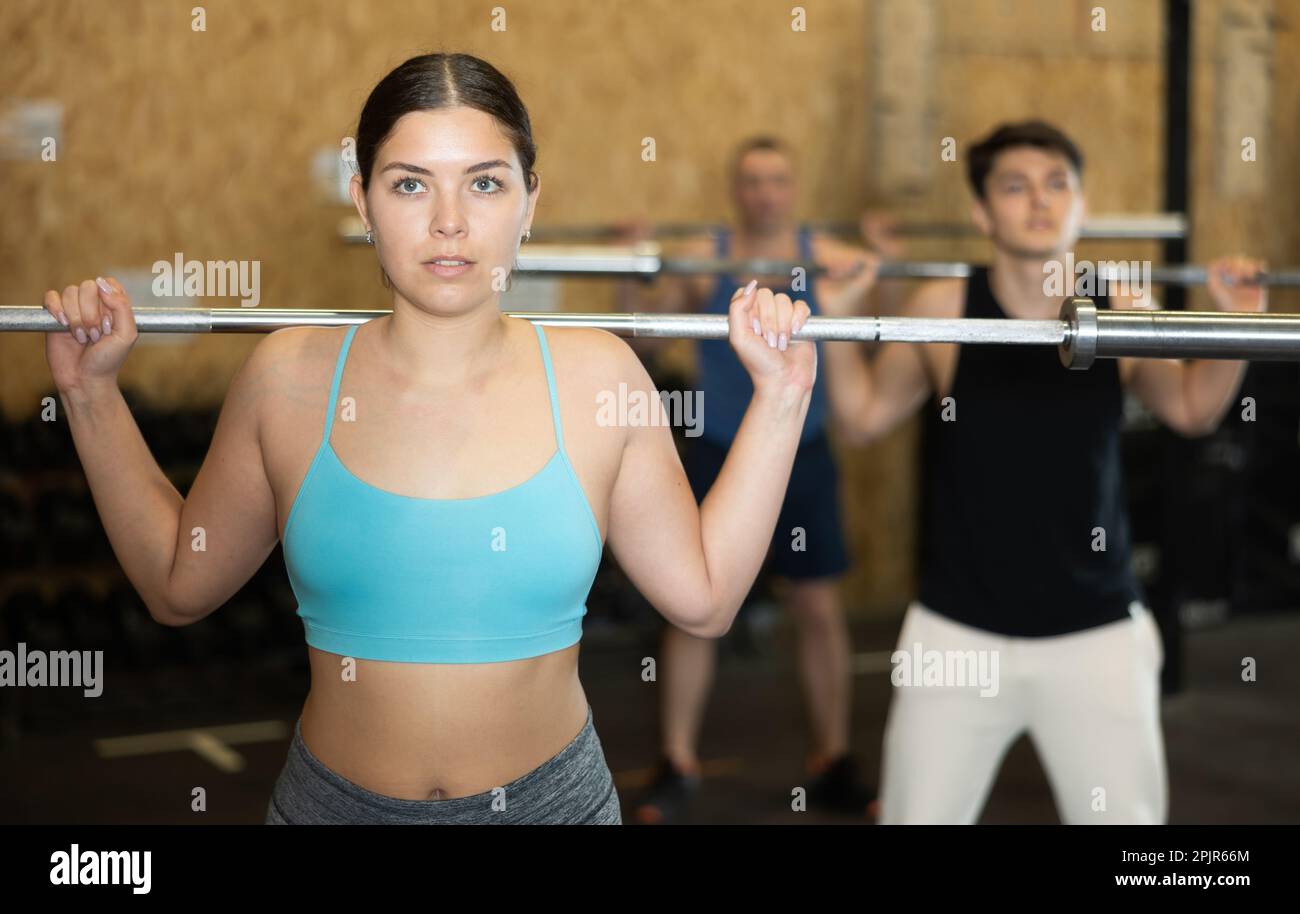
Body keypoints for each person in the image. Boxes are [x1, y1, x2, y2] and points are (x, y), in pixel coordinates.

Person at [39, 52, 818, 825]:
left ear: (530, 201)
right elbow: (180, 585)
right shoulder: (287, 378)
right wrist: (88, 392)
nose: (450, 221)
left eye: (485, 182)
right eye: (410, 183)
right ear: (364, 202)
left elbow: (707, 599)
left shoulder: (598, 377)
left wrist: (781, 399)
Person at [816, 120, 1268, 824]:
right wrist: (836, 321)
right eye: (1015, 186)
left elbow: (1189, 408)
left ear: (1082, 206)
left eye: (1058, 184)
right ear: (981, 211)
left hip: (1095, 632)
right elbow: (862, 419)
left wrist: (1237, 327)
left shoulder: (1120, 306)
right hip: (957, 631)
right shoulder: (944, 309)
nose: (1039, 201)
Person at [617, 136, 890, 822]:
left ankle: (830, 758)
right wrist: (631, 271)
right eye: (752, 181)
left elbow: (874, 327)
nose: (764, 192)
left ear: (791, 188)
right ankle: (678, 761)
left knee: (817, 607)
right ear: (736, 190)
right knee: (693, 611)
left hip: (804, 453)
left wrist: (881, 260)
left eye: (776, 180)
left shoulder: (825, 255)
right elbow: (643, 338)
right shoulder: (708, 258)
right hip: (717, 451)